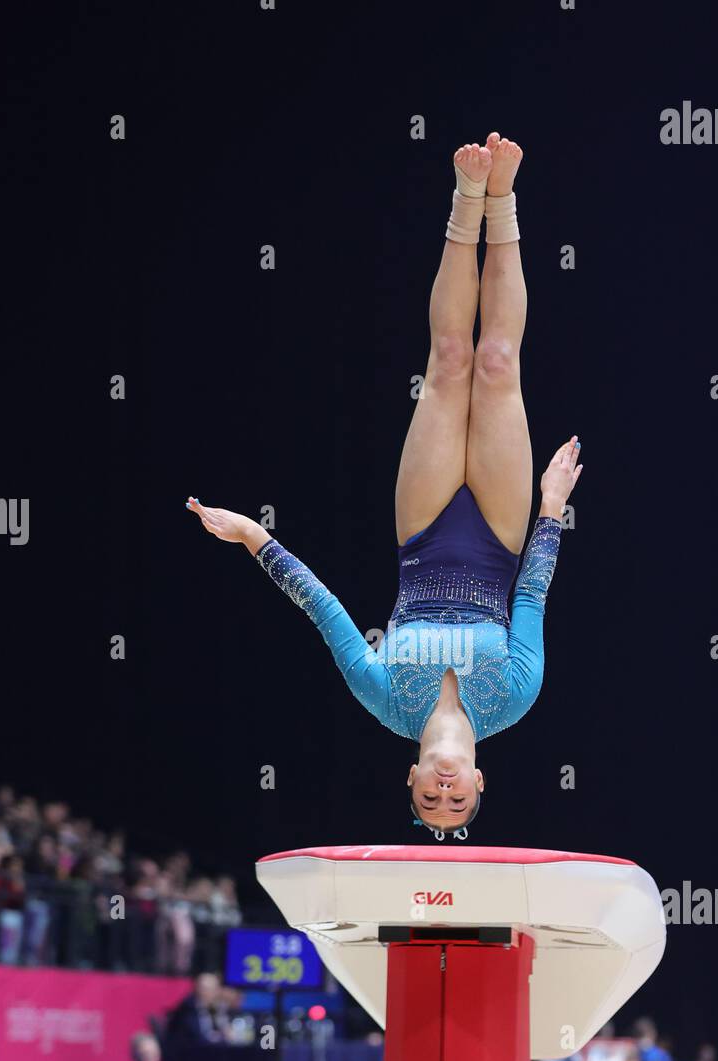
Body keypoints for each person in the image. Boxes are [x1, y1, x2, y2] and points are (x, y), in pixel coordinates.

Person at [188, 133, 583, 838]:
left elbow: (324, 610)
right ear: (478, 782)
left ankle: (466, 199)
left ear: (408, 778)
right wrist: (550, 511)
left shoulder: (383, 700)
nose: (443, 792)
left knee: (450, 359)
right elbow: (530, 593)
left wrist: (254, 537)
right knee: (496, 363)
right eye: (457, 802)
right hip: (498, 536)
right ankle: (505, 200)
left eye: (428, 800)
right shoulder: (514, 699)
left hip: (424, 534)